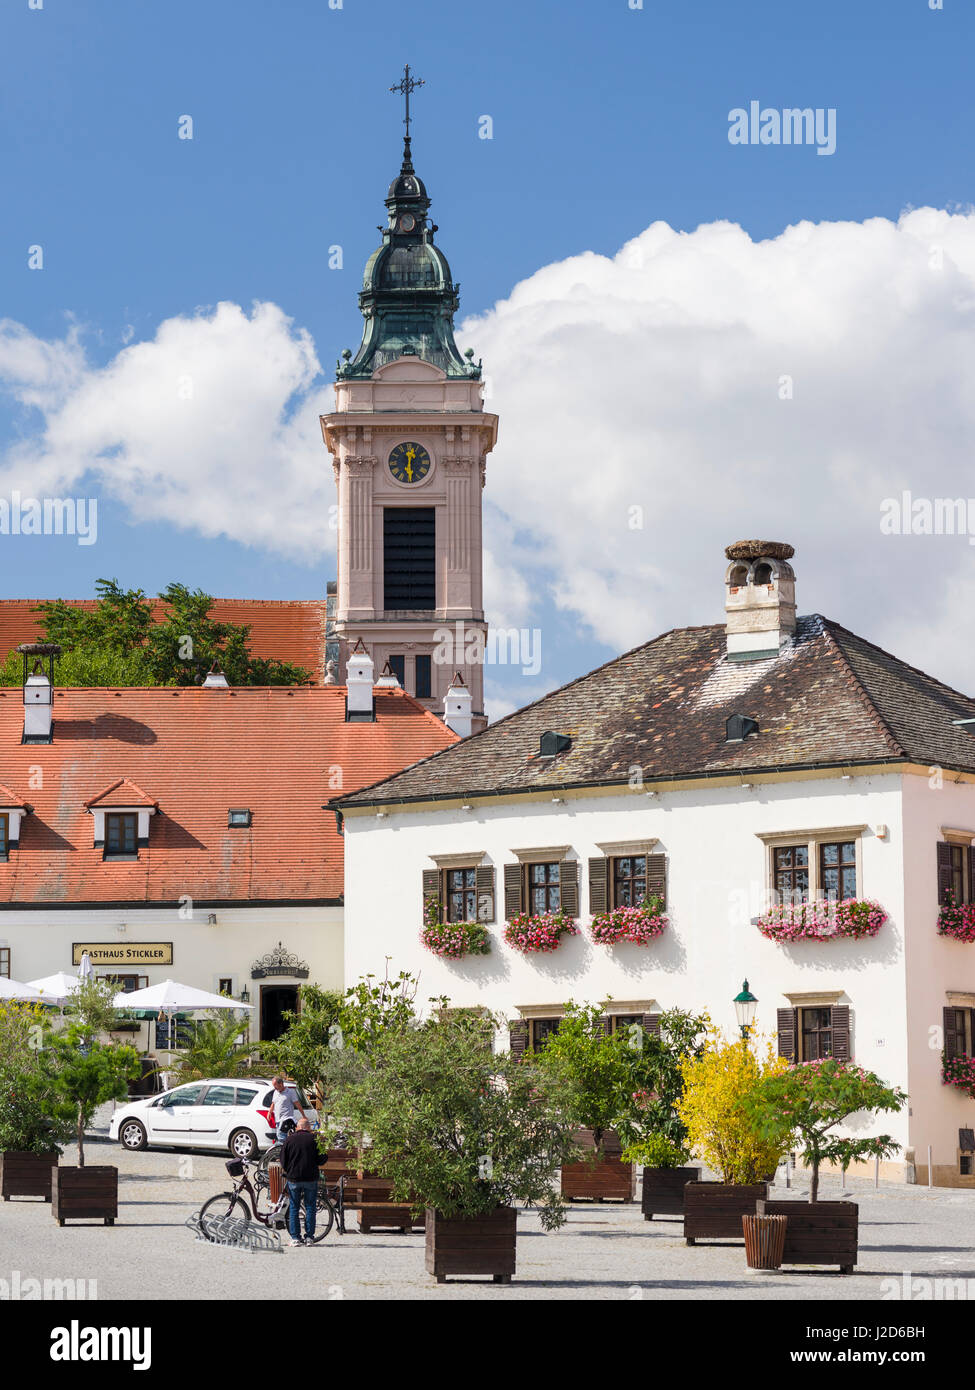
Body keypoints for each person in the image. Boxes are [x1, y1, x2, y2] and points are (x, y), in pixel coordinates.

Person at [281, 1118, 320, 1247]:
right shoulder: (314, 1139)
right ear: (308, 1127)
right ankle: (309, 1238)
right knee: (310, 1208)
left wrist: (289, 1170)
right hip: (311, 1178)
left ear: (298, 1127)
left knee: (294, 1207)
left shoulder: (289, 1139)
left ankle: (295, 1238)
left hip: (294, 1179)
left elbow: (283, 1160)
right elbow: (322, 1159)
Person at [269, 1075, 307, 1143]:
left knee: (281, 1139)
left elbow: (297, 1103)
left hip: (286, 1120)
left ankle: (282, 1152)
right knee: (281, 1138)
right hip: (278, 1120)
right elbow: (273, 1103)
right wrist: (269, 1112)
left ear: (281, 1084)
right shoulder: (275, 1092)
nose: (274, 1087)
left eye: (275, 1085)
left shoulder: (290, 1092)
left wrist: (303, 1115)